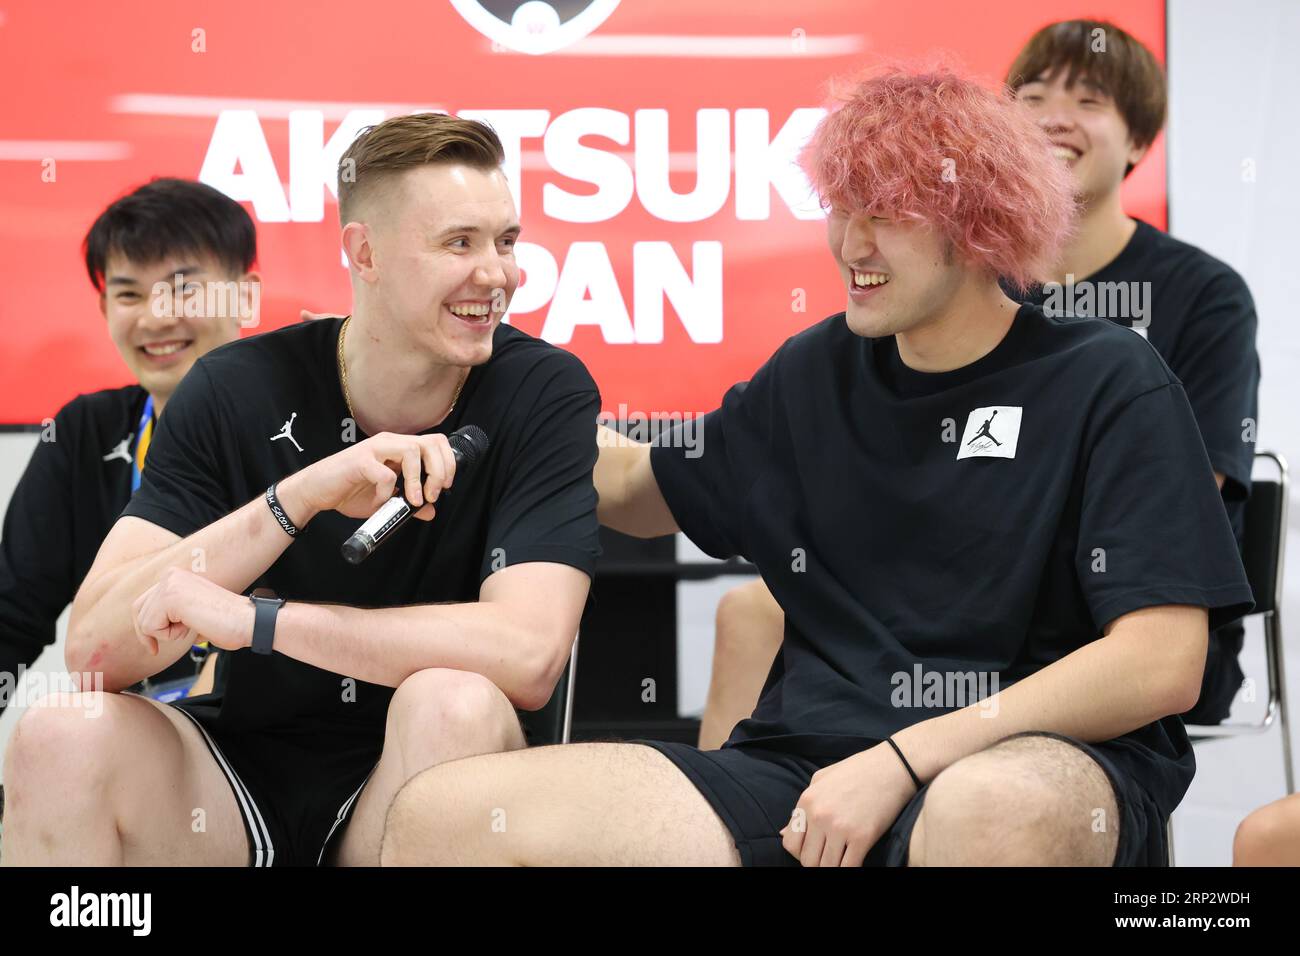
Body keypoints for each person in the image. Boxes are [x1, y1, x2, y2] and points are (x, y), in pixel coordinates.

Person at [379, 69, 1251, 867]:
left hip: (1026, 760)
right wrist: (467, 386)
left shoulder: (1108, 379)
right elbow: (641, 490)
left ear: (983, 221)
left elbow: (1163, 661)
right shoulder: (816, 369)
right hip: (805, 772)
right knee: (447, 815)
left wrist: (910, 756)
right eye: (843, 206)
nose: (851, 243)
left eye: (888, 213)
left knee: (984, 810)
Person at [0, 113, 600, 866]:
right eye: (459, 243)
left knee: (452, 702)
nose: (498, 274)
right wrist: (299, 497)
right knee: (62, 732)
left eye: (505, 242)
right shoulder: (234, 385)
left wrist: (260, 622)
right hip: (232, 778)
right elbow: (94, 651)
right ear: (365, 252)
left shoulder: (542, 388)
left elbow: (528, 656)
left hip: (411, 784)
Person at [700, 18, 1260, 750]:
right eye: (1031, 96)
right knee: (751, 611)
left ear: (1139, 142)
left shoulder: (1198, 299)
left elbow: (1185, 497)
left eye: (1090, 100)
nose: (1056, 116)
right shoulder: (954, 296)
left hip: (1109, 608)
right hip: (937, 594)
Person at [0, 178, 258, 722]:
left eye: (183, 287)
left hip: (276, 746)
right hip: (130, 745)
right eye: (129, 293)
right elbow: (11, 615)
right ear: (104, 306)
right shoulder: (85, 431)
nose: (155, 318)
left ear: (245, 293)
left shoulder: (312, 425)